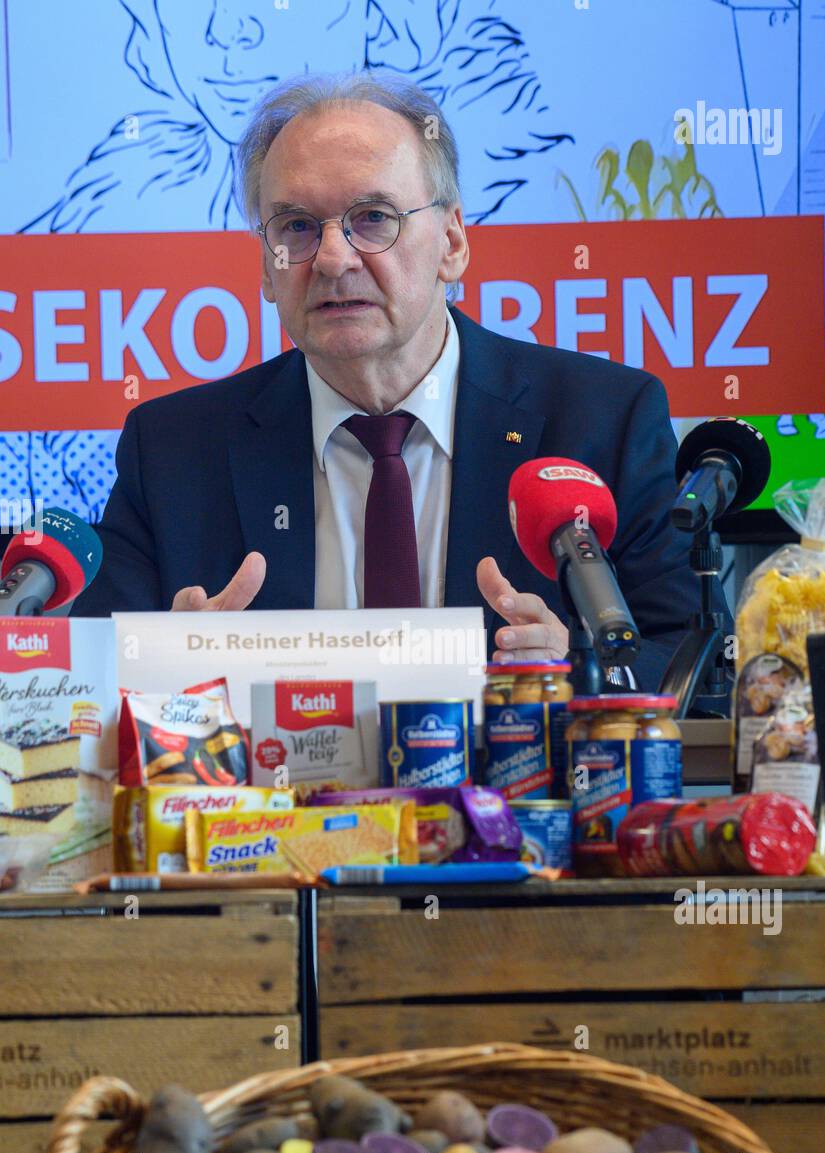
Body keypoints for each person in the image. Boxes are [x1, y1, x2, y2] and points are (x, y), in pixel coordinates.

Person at [72, 70, 725, 690]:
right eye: (297, 227)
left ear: (452, 242)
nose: (332, 258)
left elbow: (691, 656)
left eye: (373, 218)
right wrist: (162, 671)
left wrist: (579, 676)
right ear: (267, 270)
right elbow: (95, 678)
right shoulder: (173, 449)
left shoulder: (602, 421)